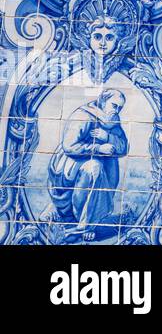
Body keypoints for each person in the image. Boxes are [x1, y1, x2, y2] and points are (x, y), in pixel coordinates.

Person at [47, 89, 129, 241]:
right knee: (94, 168)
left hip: (97, 165)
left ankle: (90, 221)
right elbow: (69, 146)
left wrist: (108, 137)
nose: (117, 110)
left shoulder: (112, 119)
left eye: (120, 107)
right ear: (103, 101)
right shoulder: (83, 116)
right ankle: (84, 225)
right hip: (71, 164)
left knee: (98, 168)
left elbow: (123, 147)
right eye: (114, 105)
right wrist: (98, 148)